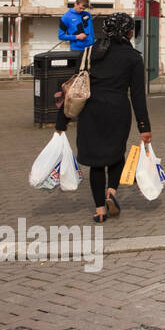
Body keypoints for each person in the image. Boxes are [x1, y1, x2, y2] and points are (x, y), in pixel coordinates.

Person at [54, 13, 150, 224]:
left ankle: (99, 210)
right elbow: (137, 96)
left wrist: (62, 123)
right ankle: (111, 192)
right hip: (118, 111)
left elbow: (75, 89)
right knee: (116, 155)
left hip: (91, 112)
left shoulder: (88, 52)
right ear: (129, 32)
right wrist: (144, 127)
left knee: (96, 162)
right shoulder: (133, 57)